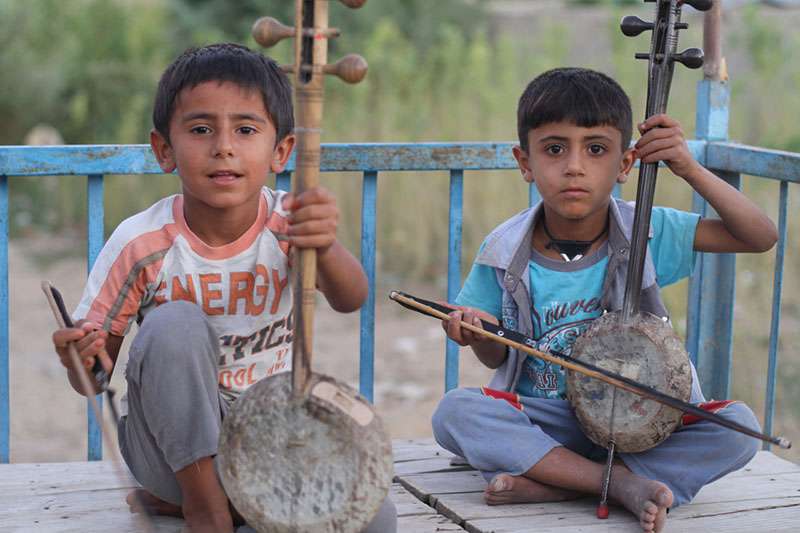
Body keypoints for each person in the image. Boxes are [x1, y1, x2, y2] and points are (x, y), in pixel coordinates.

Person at [50, 43, 396, 533]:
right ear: (164, 150)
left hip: (270, 434)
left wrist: (324, 246)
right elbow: (93, 378)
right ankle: (205, 506)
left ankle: (230, 502)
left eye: (247, 129)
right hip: (169, 450)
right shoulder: (141, 242)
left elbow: (351, 299)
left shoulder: (289, 224)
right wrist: (78, 359)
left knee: (375, 520)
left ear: (281, 152)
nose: (224, 146)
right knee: (174, 324)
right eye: (200, 129)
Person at [431, 67, 777, 533]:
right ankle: (619, 485)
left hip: (643, 420)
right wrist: (476, 335)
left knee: (740, 428)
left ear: (625, 164)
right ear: (525, 161)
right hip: (551, 422)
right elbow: (497, 352)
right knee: (456, 412)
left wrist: (688, 166)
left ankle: (561, 483)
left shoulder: (648, 231)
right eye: (554, 149)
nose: (574, 166)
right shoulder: (503, 250)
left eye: (596, 149)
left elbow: (758, 236)